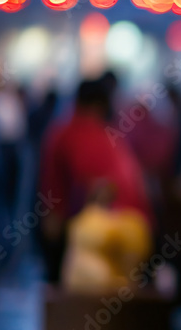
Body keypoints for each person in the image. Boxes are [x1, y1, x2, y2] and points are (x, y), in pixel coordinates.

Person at [38, 80, 152, 282]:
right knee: (122, 289)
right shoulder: (112, 135)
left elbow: (53, 190)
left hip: (100, 229)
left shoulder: (62, 133)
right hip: (138, 227)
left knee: (81, 291)